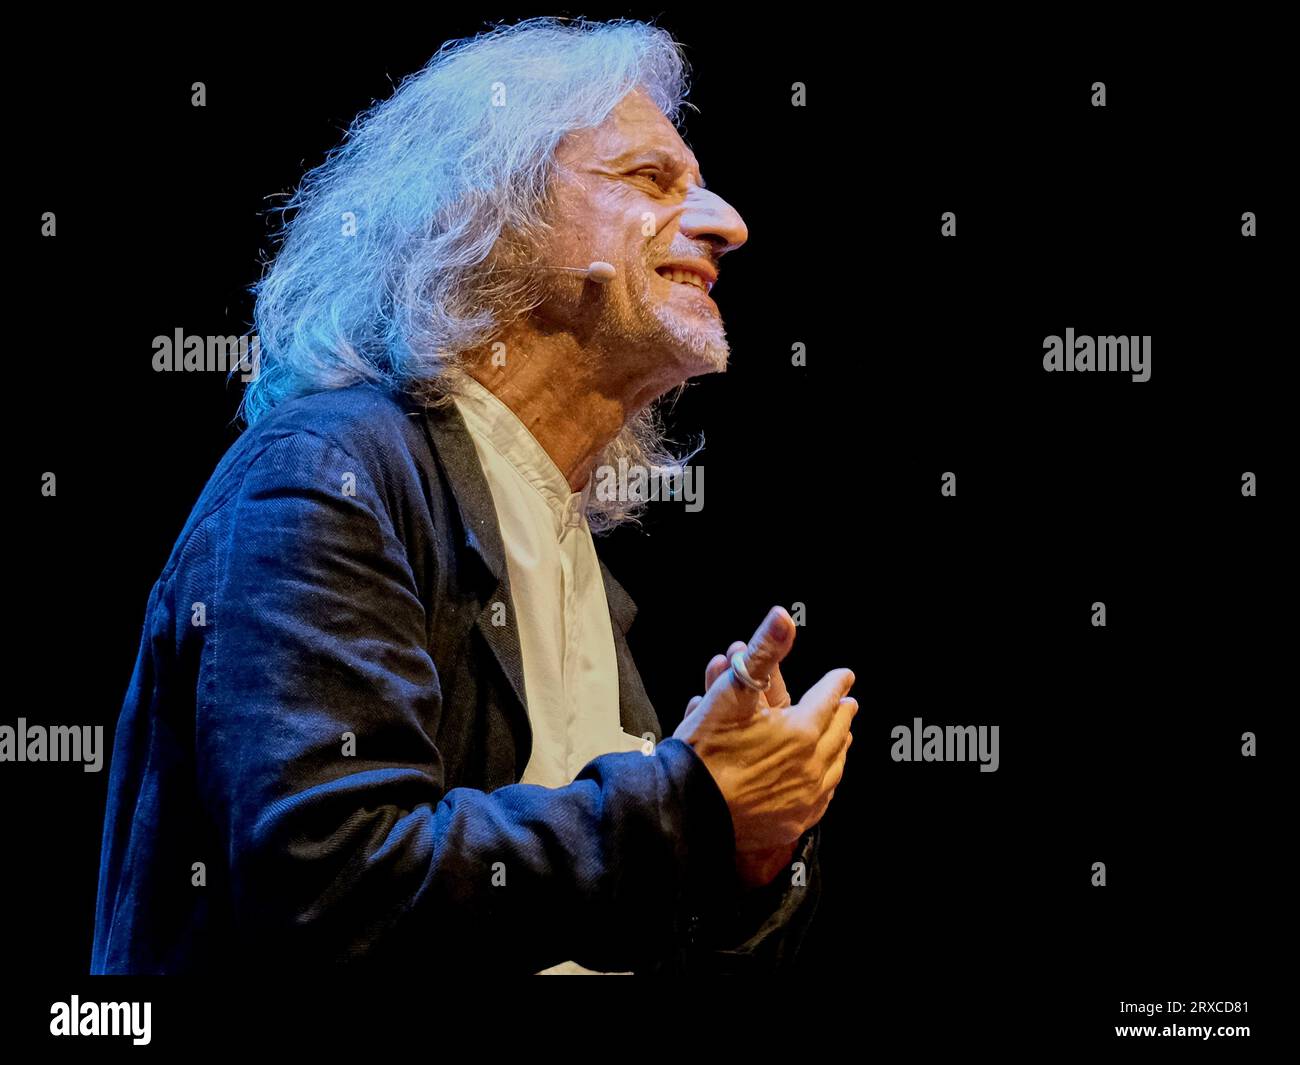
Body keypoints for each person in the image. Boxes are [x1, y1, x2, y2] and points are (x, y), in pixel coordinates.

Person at [91, 16, 857, 975]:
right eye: (649, 179)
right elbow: (331, 882)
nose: (727, 223)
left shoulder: (560, 540)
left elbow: (599, 907)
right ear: (486, 213)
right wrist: (688, 802)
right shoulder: (326, 474)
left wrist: (753, 842)